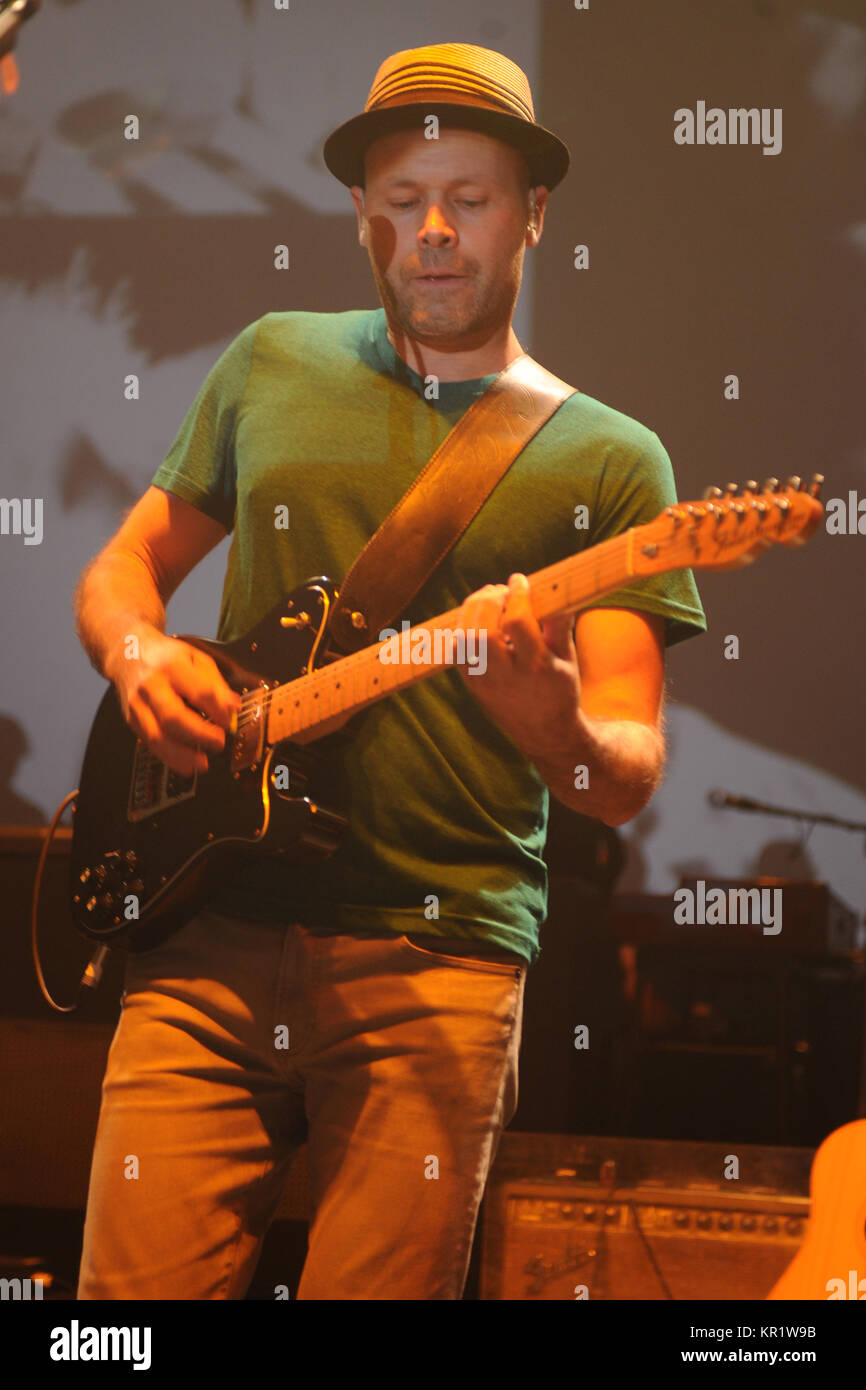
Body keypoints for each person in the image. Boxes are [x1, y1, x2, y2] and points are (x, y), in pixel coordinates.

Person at [72, 42, 706, 1300]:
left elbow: (621, 773)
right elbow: (121, 572)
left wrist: (553, 723)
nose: (431, 231)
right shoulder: (268, 359)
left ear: (531, 213)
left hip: (439, 966)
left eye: (467, 200)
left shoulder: (614, 460)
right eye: (402, 198)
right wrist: (139, 650)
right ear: (362, 208)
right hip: (204, 939)